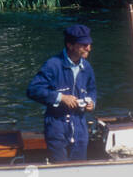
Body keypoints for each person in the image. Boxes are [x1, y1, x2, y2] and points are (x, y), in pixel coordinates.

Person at [27, 24, 97, 163]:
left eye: (89, 44)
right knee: (60, 170)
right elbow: (33, 90)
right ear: (70, 45)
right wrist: (61, 97)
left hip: (80, 128)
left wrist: (92, 102)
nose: (89, 48)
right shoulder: (52, 65)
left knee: (79, 169)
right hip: (56, 126)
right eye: (83, 44)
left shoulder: (87, 67)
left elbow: (92, 89)